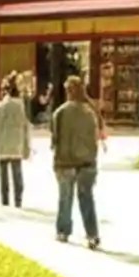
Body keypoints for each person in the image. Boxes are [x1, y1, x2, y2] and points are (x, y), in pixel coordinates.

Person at [51, 75, 106, 249]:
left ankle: (63, 231)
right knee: (87, 198)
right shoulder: (91, 112)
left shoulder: (59, 113)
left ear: (67, 91)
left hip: (65, 161)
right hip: (87, 162)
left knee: (65, 198)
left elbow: (55, 140)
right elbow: (96, 137)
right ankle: (92, 234)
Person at [0, 72, 31, 207]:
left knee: (3, 175)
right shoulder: (20, 106)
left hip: (1, 144)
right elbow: (25, 127)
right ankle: (18, 199)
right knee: (17, 173)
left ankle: (5, 199)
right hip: (16, 143)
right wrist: (26, 146)